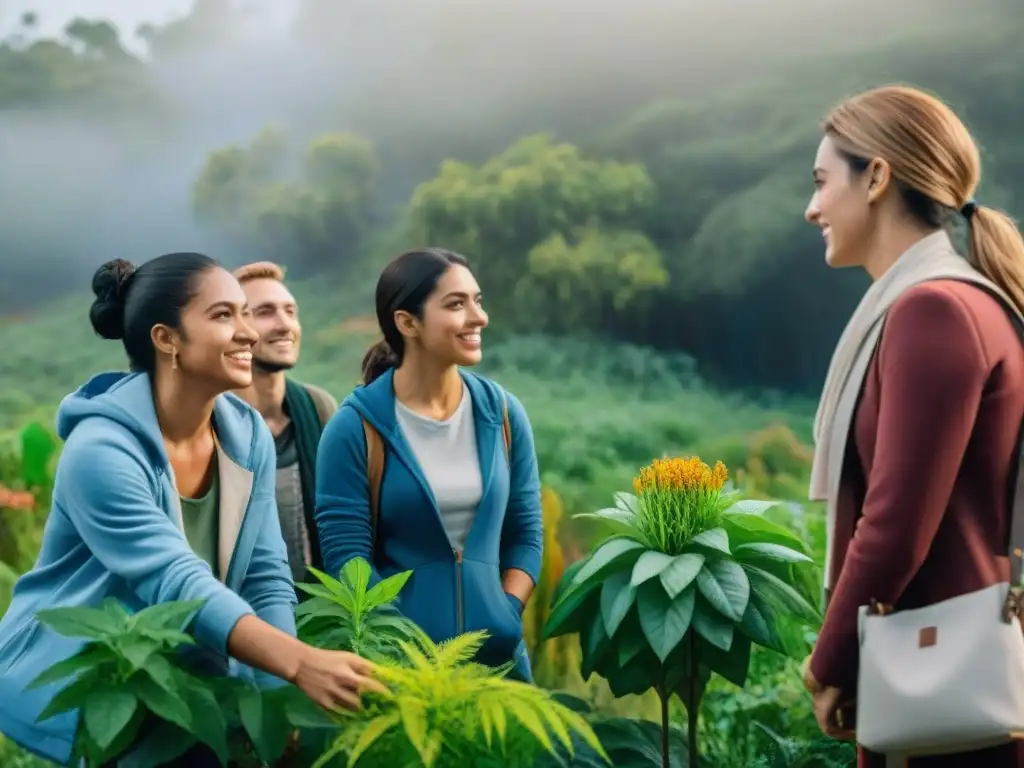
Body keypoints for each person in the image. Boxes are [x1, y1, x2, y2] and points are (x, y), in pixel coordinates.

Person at [0, 253, 380, 766]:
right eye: (224, 315)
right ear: (167, 339)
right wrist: (298, 663)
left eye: (245, 313)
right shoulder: (101, 451)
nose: (249, 333)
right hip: (106, 677)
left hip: (198, 669)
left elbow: (264, 575)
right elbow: (175, 580)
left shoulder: (246, 434)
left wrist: (277, 700)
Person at [802, 85, 1024, 767]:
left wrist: (829, 662)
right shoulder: (967, 302)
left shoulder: (933, 311)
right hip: (955, 667)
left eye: (821, 181)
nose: (812, 208)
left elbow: (895, 522)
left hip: (943, 681)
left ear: (876, 177)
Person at [314, 248, 543, 681]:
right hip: (402, 677)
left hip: (502, 671)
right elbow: (348, 562)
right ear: (407, 323)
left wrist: (505, 613)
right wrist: (400, 648)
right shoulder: (354, 428)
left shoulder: (503, 414)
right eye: (456, 304)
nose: (479, 317)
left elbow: (526, 532)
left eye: (477, 301)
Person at [233, 261, 337, 590]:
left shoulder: (318, 408)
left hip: (318, 605)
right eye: (265, 312)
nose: (284, 325)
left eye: (290, 311)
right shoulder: (211, 419)